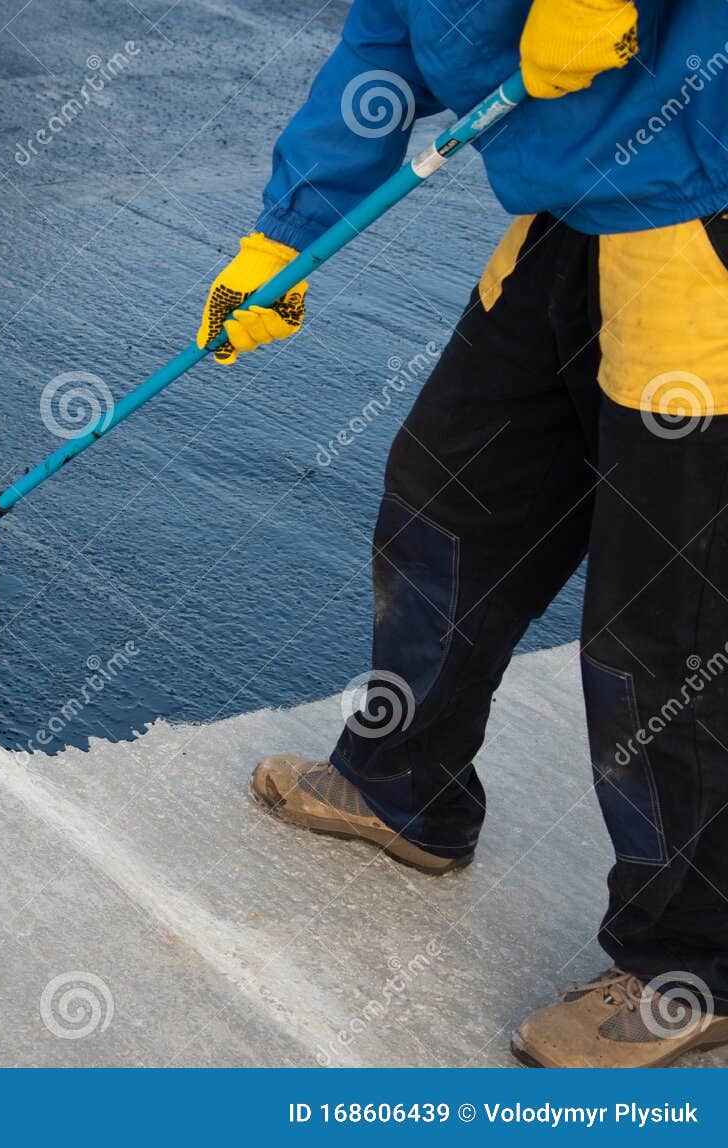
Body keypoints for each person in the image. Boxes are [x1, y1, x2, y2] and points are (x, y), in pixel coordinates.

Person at [202, 0, 728, 1067]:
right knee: (447, 502)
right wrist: (285, 232)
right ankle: (405, 784)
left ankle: (694, 964)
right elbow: (388, 43)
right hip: (571, 215)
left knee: (659, 629)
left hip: (701, 219)